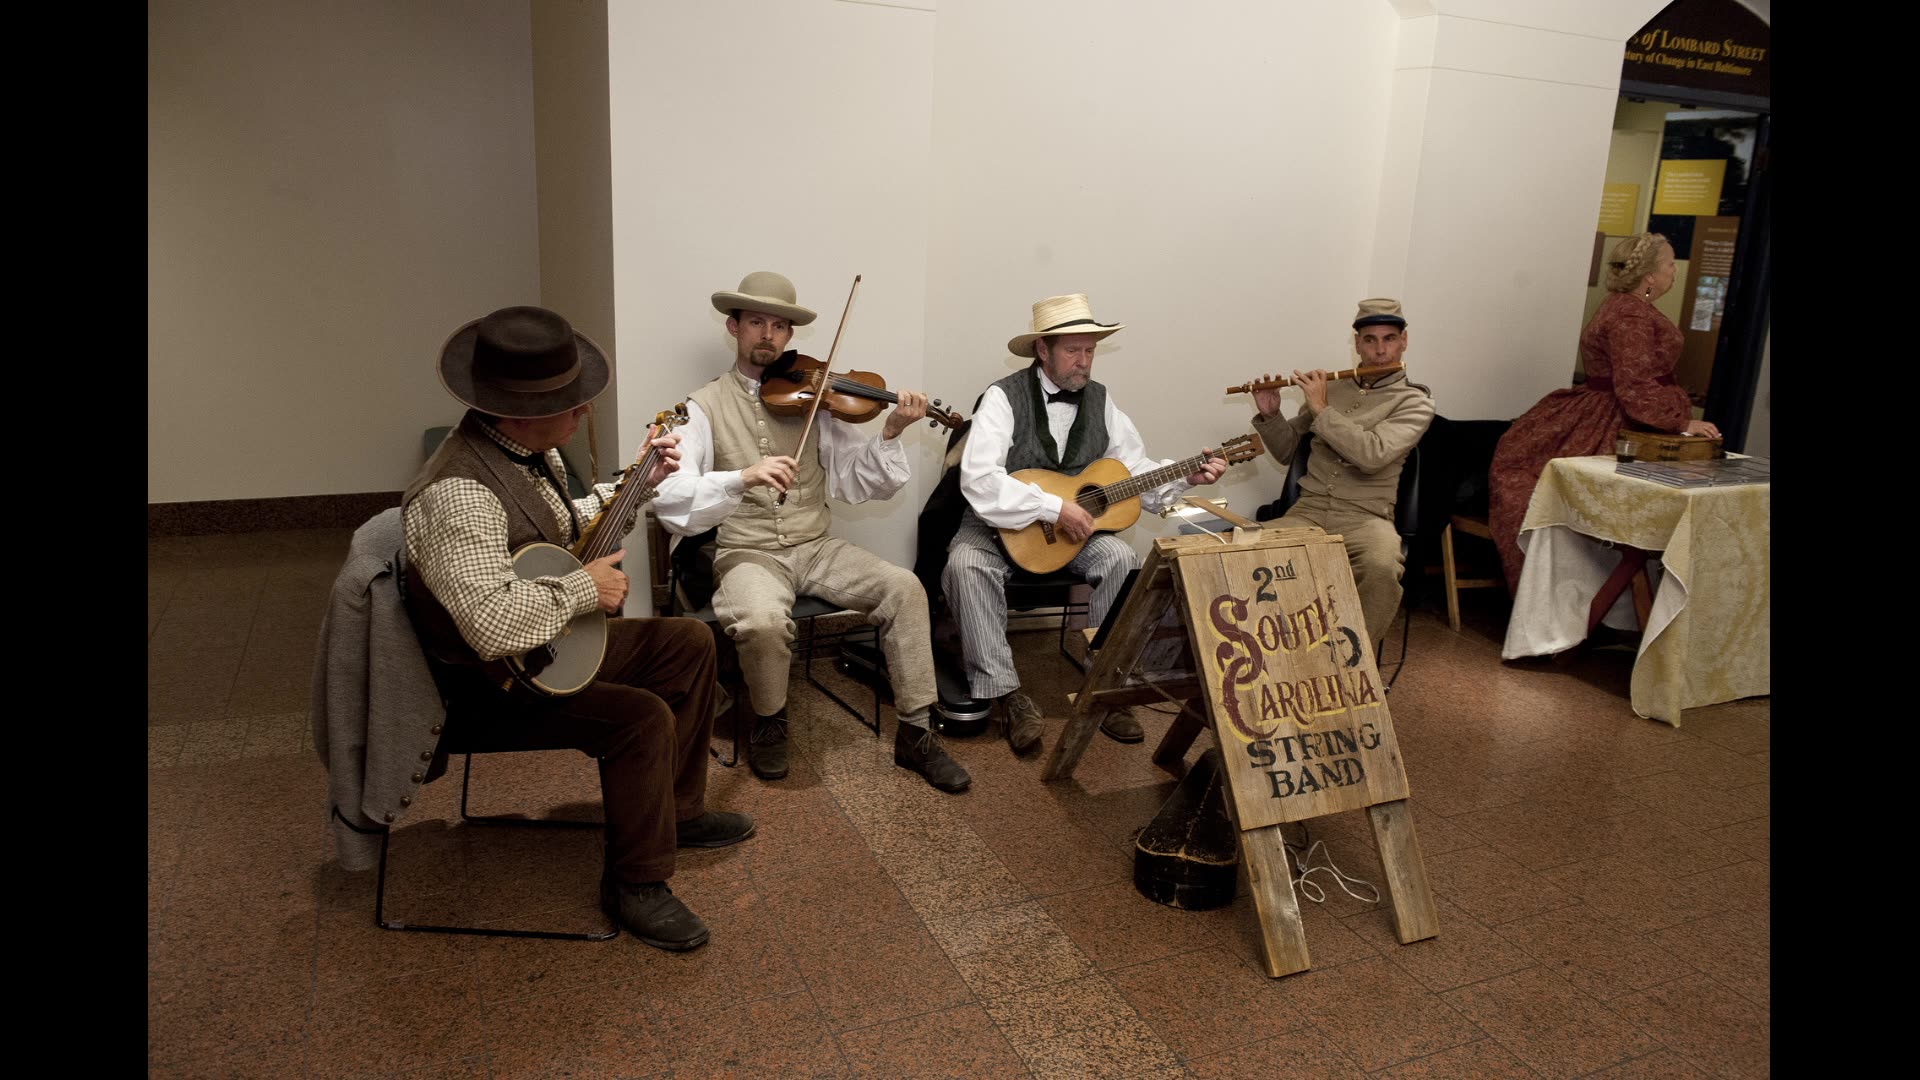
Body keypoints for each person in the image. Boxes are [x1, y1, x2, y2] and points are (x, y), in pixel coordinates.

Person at [400, 305, 753, 952]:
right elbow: (489, 625)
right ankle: (637, 883)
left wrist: (640, 483)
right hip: (483, 686)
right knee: (640, 719)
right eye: (570, 404)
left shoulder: (526, 452)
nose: (585, 410)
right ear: (517, 411)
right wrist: (586, 588)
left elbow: (565, 526)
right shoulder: (459, 493)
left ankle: (678, 813)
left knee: (688, 643)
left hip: (539, 649)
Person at [652, 271, 971, 793]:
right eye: (757, 322)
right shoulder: (702, 407)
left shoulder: (815, 398)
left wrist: (890, 433)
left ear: (790, 336)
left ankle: (916, 732)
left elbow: (856, 481)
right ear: (733, 327)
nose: (768, 335)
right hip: (747, 551)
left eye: (779, 326)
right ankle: (770, 721)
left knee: (905, 587)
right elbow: (670, 499)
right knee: (761, 622)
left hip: (817, 546)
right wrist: (741, 477)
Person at [943, 294, 1227, 755]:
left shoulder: (1101, 400)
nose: (1084, 361)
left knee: (1121, 556)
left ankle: (1103, 687)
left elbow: (1131, 470)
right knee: (964, 566)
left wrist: (1183, 477)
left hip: (1075, 536)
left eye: (1090, 350)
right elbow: (980, 479)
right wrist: (1053, 508)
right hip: (997, 526)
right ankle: (1007, 695)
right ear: (1043, 349)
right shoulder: (1002, 397)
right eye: (1073, 350)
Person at [1488, 232, 1721, 592]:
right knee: (1605, 515)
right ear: (1650, 276)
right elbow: (1633, 383)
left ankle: (1609, 602)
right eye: (1670, 264)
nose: (1675, 271)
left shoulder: (1627, 307)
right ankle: (1590, 600)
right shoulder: (1630, 313)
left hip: (1613, 411)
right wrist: (1681, 422)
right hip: (1612, 419)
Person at [1247, 298, 1434, 652]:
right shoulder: (1333, 389)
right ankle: (1270, 656)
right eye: (1370, 340)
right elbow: (1287, 451)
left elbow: (1372, 455)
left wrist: (1320, 407)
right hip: (1308, 512)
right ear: (1357, 343)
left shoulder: (1415, 402)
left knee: (1382, 569)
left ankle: (1350, 662)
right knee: (1238, 552)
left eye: (1389, 339)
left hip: (1366, 518)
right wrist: (1271, 415)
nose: (1380, 351)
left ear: (1404, 341)